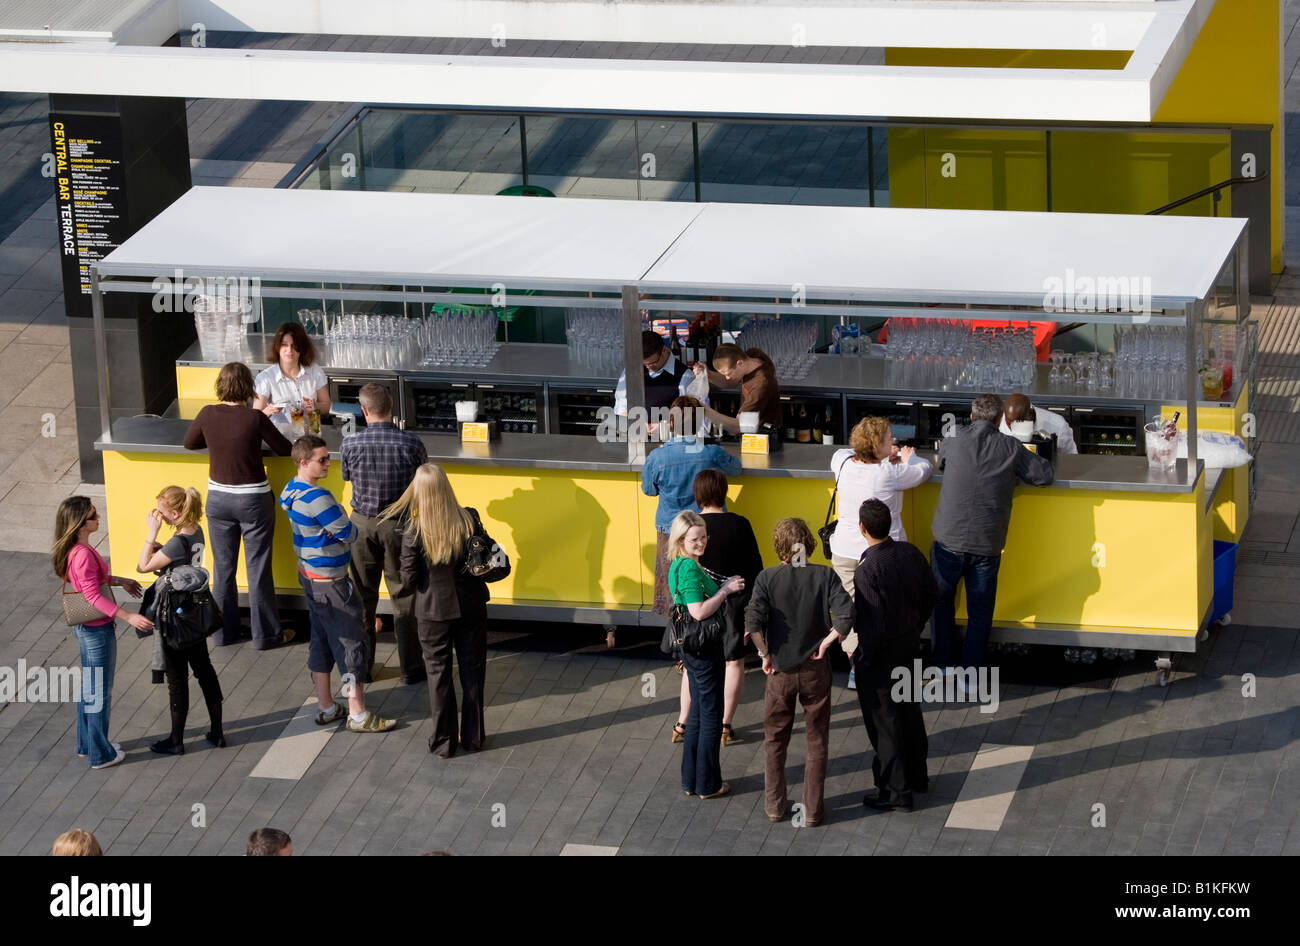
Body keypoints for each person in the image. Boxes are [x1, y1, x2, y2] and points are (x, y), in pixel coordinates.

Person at [931, 393, 1054, 676]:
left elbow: (942, 462)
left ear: (971, 416)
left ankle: (943, 667)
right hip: (986, 545)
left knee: (941, 604)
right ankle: (971, 677)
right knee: (980, 613)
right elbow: (1043, 475)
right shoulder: (1010, 447)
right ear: (1000, 420)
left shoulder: (953, 440)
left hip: (948, 541)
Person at [279, 435, 396, 734]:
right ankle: (358, 714)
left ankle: (327, 706)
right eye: (322, 460)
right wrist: (341, 520)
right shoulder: (318, 498)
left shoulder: (291, 490)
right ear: (304, 462)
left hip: (308, 576)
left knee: (320, 640)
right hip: (331, 583)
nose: (328, 464)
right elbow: (349, 532)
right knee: (351, 645)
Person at [745, 518, 853, 826]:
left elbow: (752, 622)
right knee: (817, 740)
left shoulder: (767, 578)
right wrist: (827, 643)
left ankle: (775, 806)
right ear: (809, 543)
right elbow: (846, 615)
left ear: (778, 546)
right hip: (815, 670)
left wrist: (764, 654)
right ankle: (813, 812)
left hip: (779, 671)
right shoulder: (824, 576)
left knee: (775, 740)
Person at [183, 362, 294, 649]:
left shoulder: (208, 413)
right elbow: (285, 449)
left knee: (223, 569)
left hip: (219, 500)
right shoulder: (254, 418)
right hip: (253, 501)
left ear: (220, 386)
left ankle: (221, 633)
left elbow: (189, 443)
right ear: (248, 388)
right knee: (257, 568)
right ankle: (265, 636)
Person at [387, 464, 491, 758]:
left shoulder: (414, 530)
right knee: (473, 672)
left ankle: (444, 742)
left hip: (433, 611)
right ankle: (473, 737)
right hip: (471, 606)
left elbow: (406, 579)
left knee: (438, 675)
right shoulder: (469, 518)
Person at [51, 496, 152, 770]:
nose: (99, 518)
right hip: (96, 631)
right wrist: (127, 615)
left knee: (90, 688)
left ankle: (87, 744)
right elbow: (93, 595)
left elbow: (93, 580)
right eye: (94, 515)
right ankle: (100, 753)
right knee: (99, 692)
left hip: (88, 628)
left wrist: (120, 581)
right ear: (81, 523)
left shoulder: (77, 548)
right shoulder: (82, 554)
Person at [853, 499, 939, 813]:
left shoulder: (867, 571)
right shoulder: (910, 553)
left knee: (885, 724)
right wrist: (916, 625)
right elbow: (932, 593)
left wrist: (865, 657)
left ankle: (896, 791)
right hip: (909, 647)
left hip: (882, 657)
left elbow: (872, 624)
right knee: (909, 713)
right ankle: (918, 777)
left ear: (862, 528)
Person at [341, 381, 428, 686]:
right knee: (404, 595)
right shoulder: (411, 443)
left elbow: (347, 476)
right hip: (399, 525)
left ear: (364, 411)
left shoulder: (350, 444)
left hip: (361, 524)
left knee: (362, 598)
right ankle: (412, 670)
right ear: (391, 407)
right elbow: (423, 482)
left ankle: (362, 668)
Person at [136, 486, 225, 754]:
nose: (158, 516)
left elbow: (142, 566)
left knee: (177, 679)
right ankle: (217, 731)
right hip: (193, 611)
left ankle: (176, 740)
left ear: (174, 513)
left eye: (161, 513)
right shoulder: (195, 530)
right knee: (205, 670)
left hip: (174, 617)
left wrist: (151, 536)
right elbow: (182, 561)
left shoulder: (176, 542)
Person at [680, 468, 762, 748]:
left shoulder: (690, 527)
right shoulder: (741, 524)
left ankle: (682, 722)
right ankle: (725, 725)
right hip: (735, 606)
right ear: (724, 492)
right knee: (733, 661)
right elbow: (755, 570)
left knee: (695, 664)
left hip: (700, 605)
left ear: (697, 494)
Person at [667, 510, 745, 799]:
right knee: (712, 717)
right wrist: (724, 591)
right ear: (681, 540)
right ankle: (709, 784)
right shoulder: (688, 568)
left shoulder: (679, 564)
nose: (701, 543)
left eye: (704, 537)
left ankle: (691, 781)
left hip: (691, 650)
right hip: (704, 649)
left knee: (698, 715)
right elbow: (698, 611)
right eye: (695, 539)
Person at [640, 395, 741, 616]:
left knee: (674, 586)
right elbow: (736, 469)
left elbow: (648, 490)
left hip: (671, 529)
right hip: (704, 530)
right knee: (707, 584)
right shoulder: (711, 453)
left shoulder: (657, 457)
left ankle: (677, 629)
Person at [829, 416, 933, 595]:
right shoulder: (889, 474)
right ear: (877, 446)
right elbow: (924, 470)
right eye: (889, 439)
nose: (893, 441)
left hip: (844, 551)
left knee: (852, 610)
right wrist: (910, 458)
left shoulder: (842, 463)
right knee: (883, 609)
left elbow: (843, 453)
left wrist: (881, 456)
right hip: (882, 554)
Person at [613, 329, 710, 437]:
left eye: (652, 363)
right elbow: (621, 405)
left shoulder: (685, 376)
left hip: (670, 441)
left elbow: (690, 416)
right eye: (644, 364)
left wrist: (665, 426)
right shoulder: (631, 370)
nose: (648, 367)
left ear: (663, 350)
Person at [252, 321, 331, 435]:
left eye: (294, 346)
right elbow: (254, 419)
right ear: (277, 347)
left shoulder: (315, 371)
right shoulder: (265, 378)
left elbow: (327, 406)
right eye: (284, 345)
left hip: (312, 435)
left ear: (302, 348)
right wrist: (269, 411)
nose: (289, 350)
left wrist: (315, 406)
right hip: (280, 440)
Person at [702, 343, 781, 435]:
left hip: (763, 436)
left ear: (740, 363)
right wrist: (709, 375)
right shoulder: (752, 355)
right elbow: (730, 382)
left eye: (728, 373)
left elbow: (738, 427)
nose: (727, 377)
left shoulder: (761, 384)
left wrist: (705, 411)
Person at [999, 392, 1077, 454]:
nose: (1013, 428)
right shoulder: (998, 424)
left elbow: (1070, 458)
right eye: (1009, 424)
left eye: (1018, 422)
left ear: (1031, 414)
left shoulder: (1058, 426)